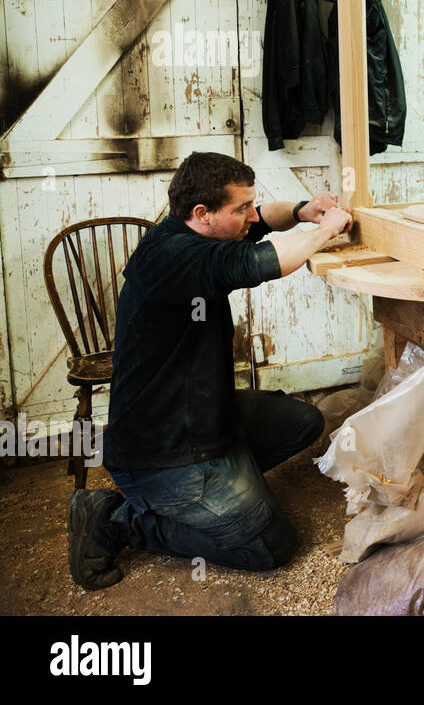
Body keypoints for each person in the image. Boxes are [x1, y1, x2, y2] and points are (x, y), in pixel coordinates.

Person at [67, 151, 354, 590]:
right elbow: (263, 262)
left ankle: (223, 488)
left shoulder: (200, 230)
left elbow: (264, 219)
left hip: (200, 412)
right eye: (240, 209)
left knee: (303, 422)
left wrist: (303, 211)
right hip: (160, 447)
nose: (249, 216)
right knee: (270, 545)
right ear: (202, 213)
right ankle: (118, 519)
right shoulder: (175, 256)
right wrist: (328, 228)